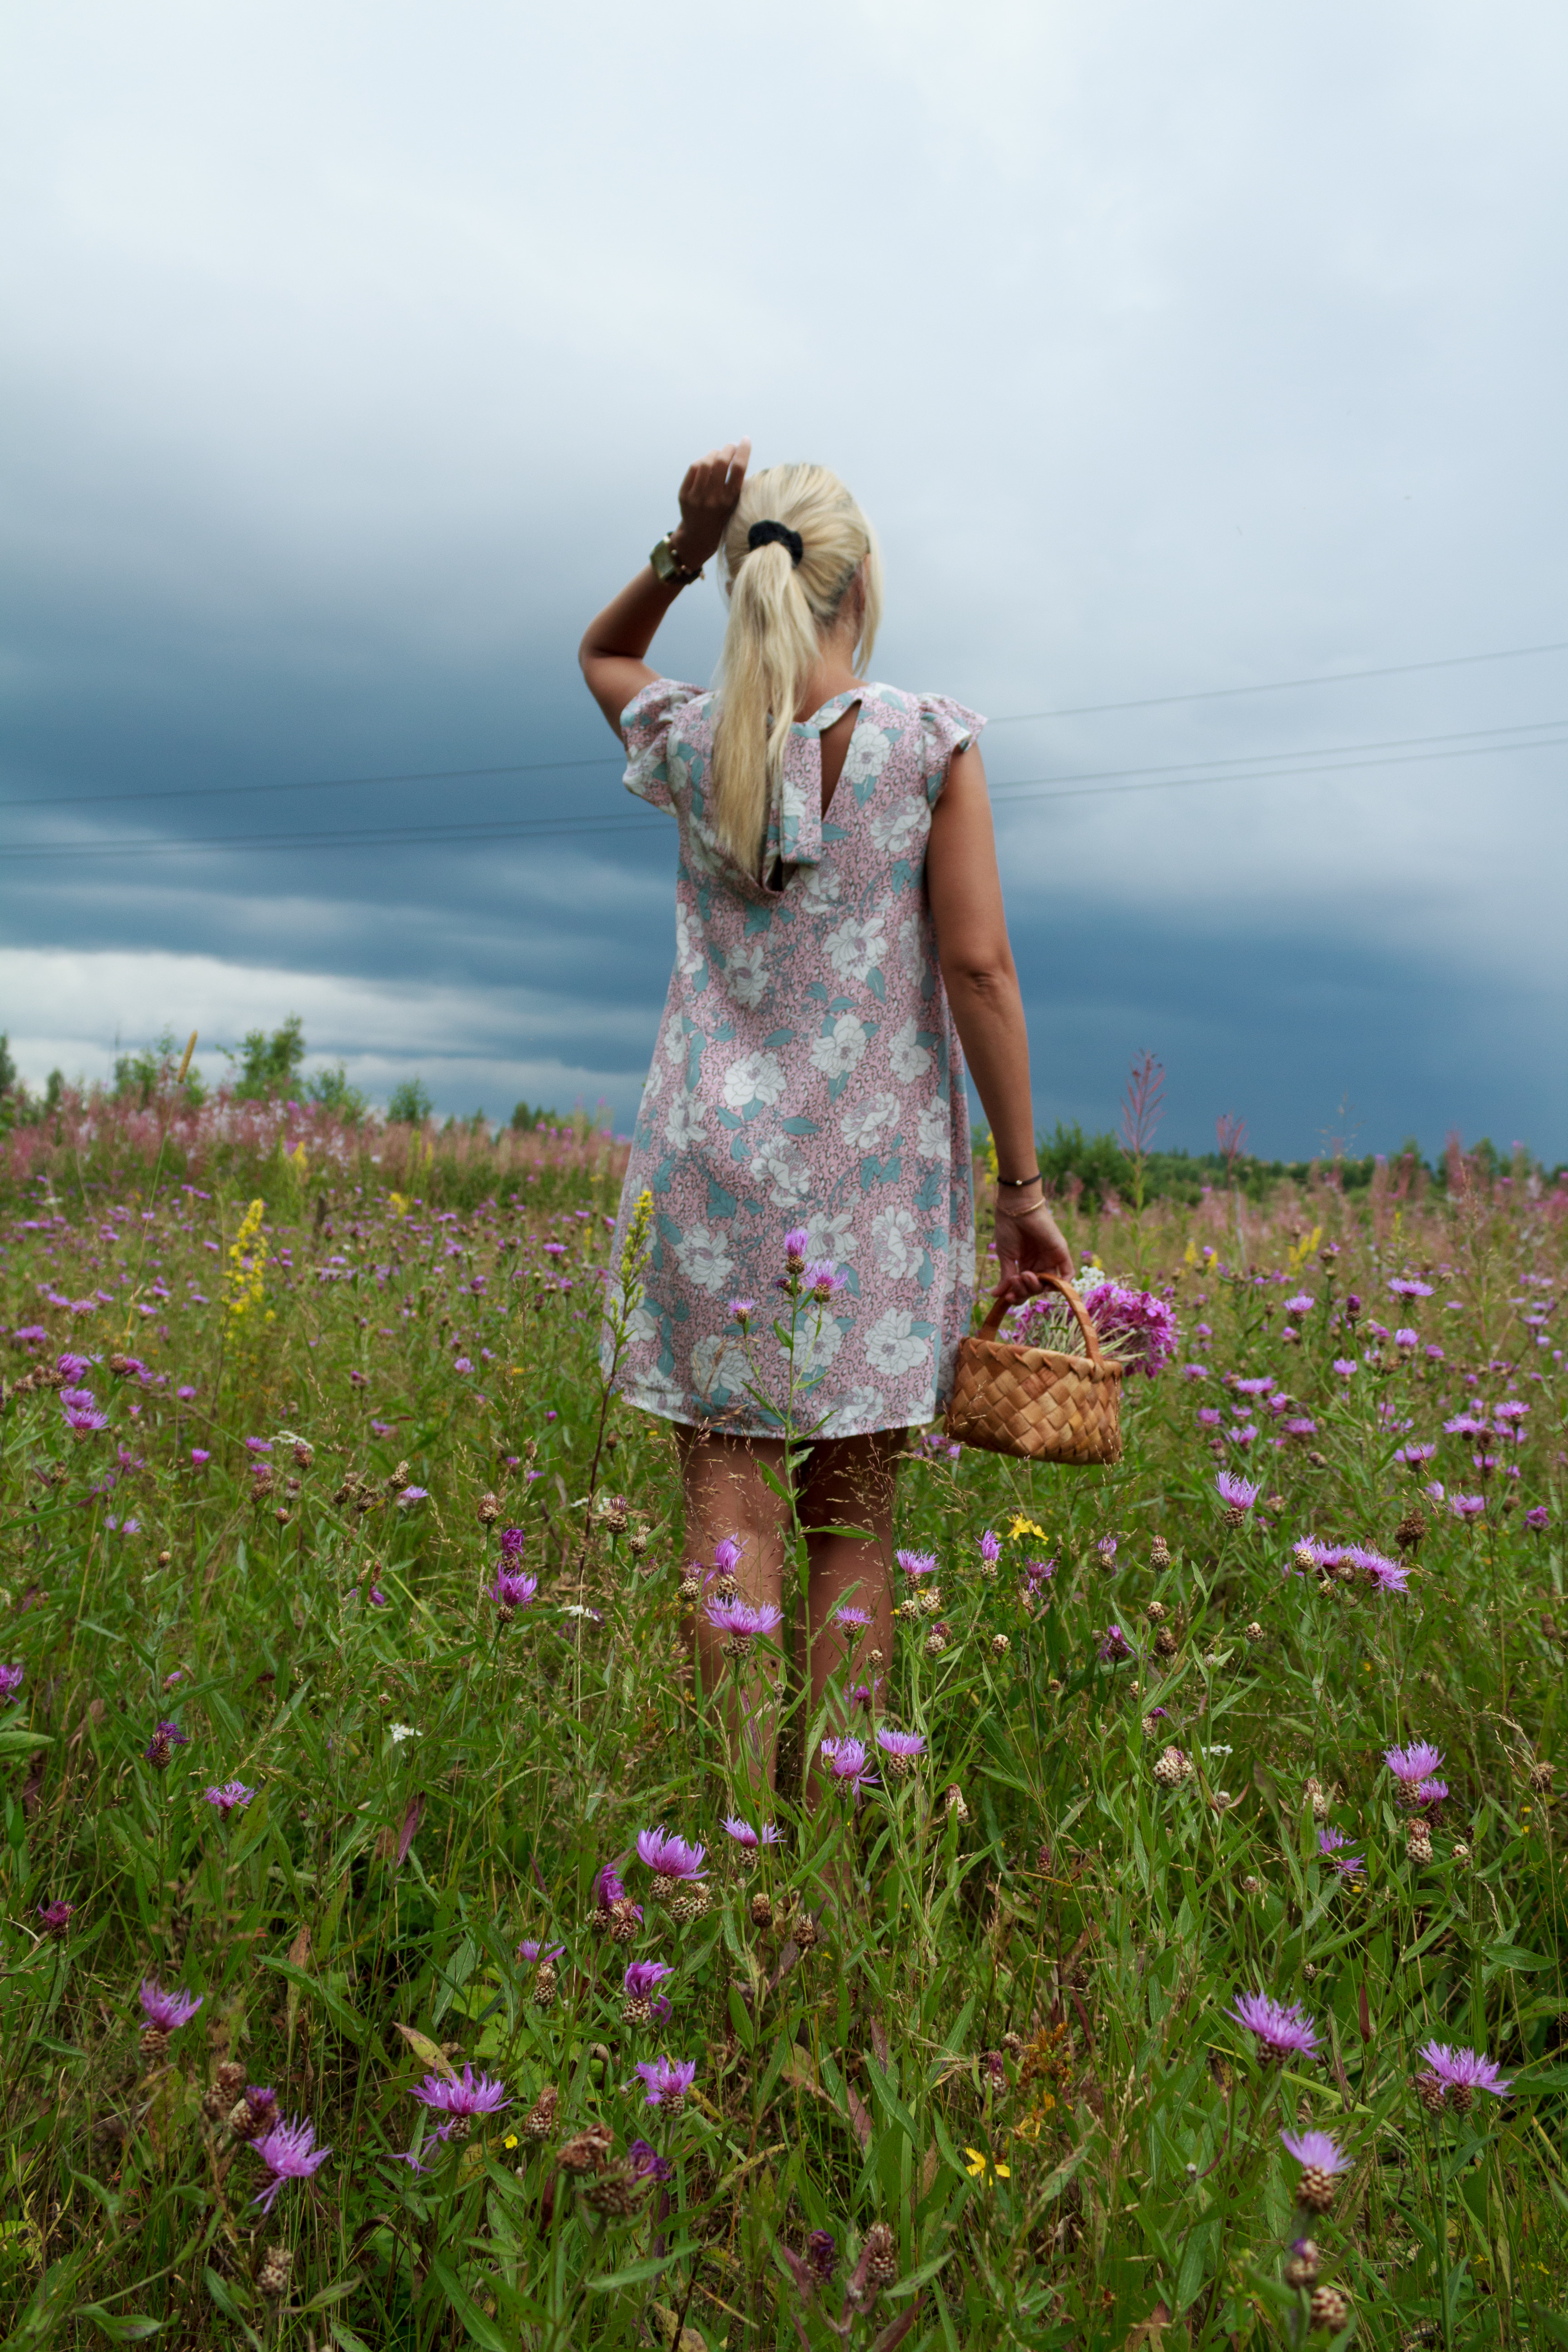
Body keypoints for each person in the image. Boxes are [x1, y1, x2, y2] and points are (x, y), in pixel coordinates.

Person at [579, 441, 1071, 1767]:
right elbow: (978, 967)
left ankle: (734, 1826)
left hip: (708, 1176)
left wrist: (678, 549)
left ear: (746, 577)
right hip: (875, 1188)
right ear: (859, 588)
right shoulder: (927, 741)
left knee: (722, 1504)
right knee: (853, 1526)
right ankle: (834, 1848)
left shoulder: (693, 739)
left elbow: (600, 659)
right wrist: (1023, 1194)